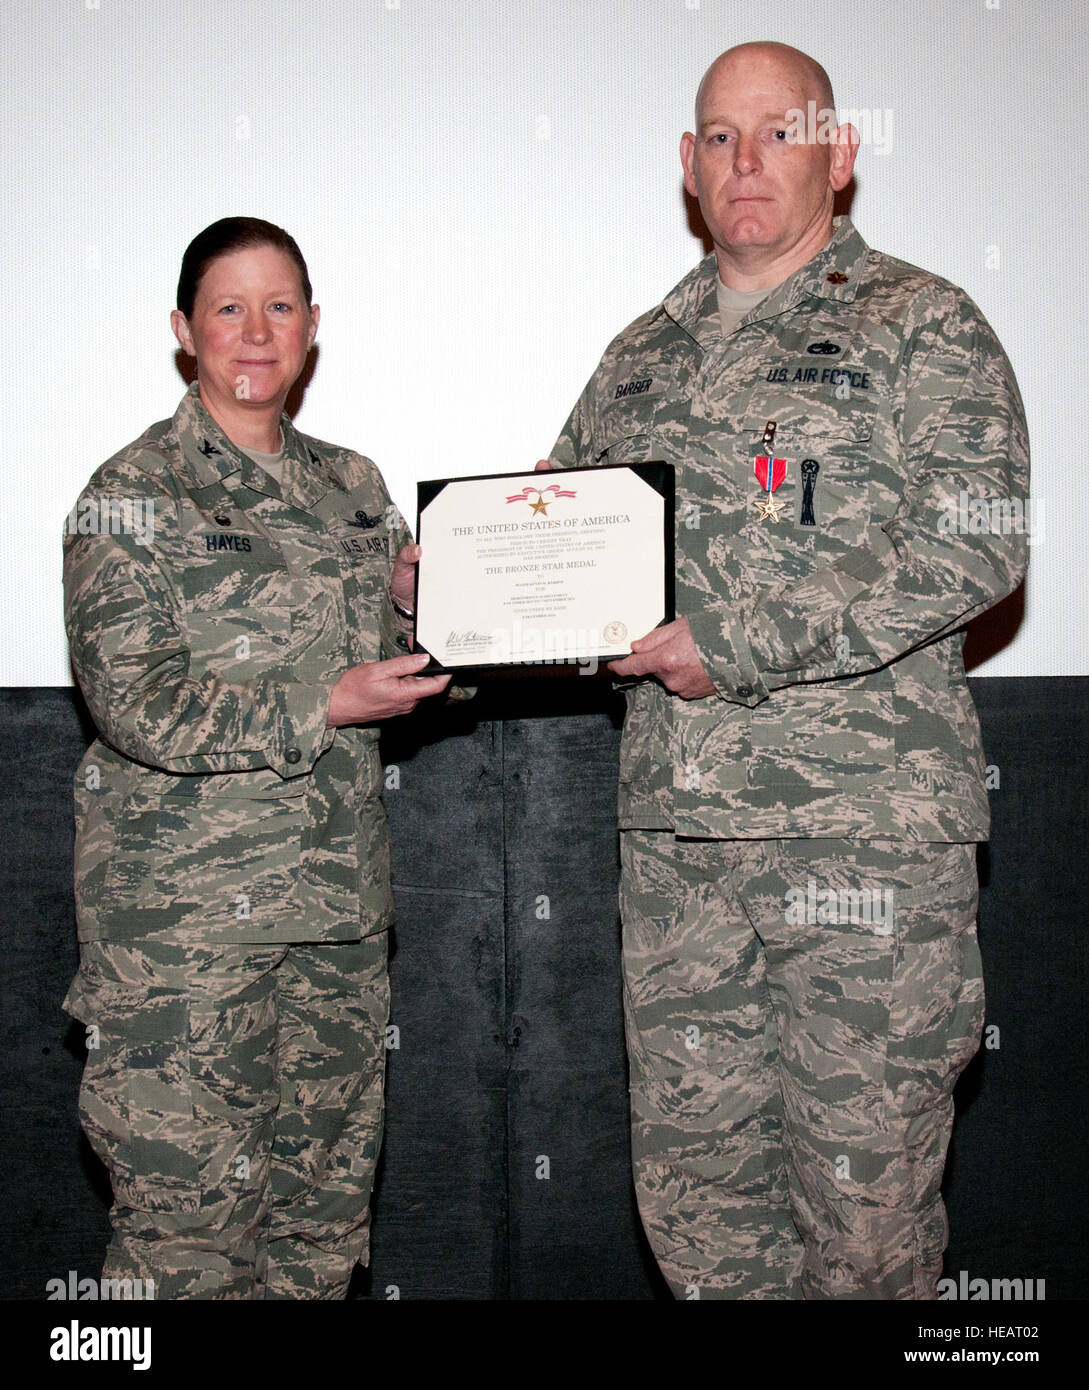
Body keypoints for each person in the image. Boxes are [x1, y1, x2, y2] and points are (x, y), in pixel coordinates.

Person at [543, 43, 1029, 1298]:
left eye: (778, 130)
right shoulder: (639, 352)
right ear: (688, 166)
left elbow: (977, 547)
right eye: (718, 135)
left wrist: (743, 644)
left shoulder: (923, 322)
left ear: (841, 151)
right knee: (703, 1215)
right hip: (679, 848)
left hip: (862, 847)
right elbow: (564, 533)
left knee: (865, 1218)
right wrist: (458, 587)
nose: (744, 160)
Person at [63, 217, 449, 1299]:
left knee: (319, 1233)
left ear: (313, 328)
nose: (255, 331)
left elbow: (408, 673)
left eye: (280, 306)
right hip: (184, 946)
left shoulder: (355, 488)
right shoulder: (130, 495)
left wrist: (437, 615)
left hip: (333, 923)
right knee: (184, 1241)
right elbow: (138, 704)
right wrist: (324, 700)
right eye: (228, 308)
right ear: (184, 331)